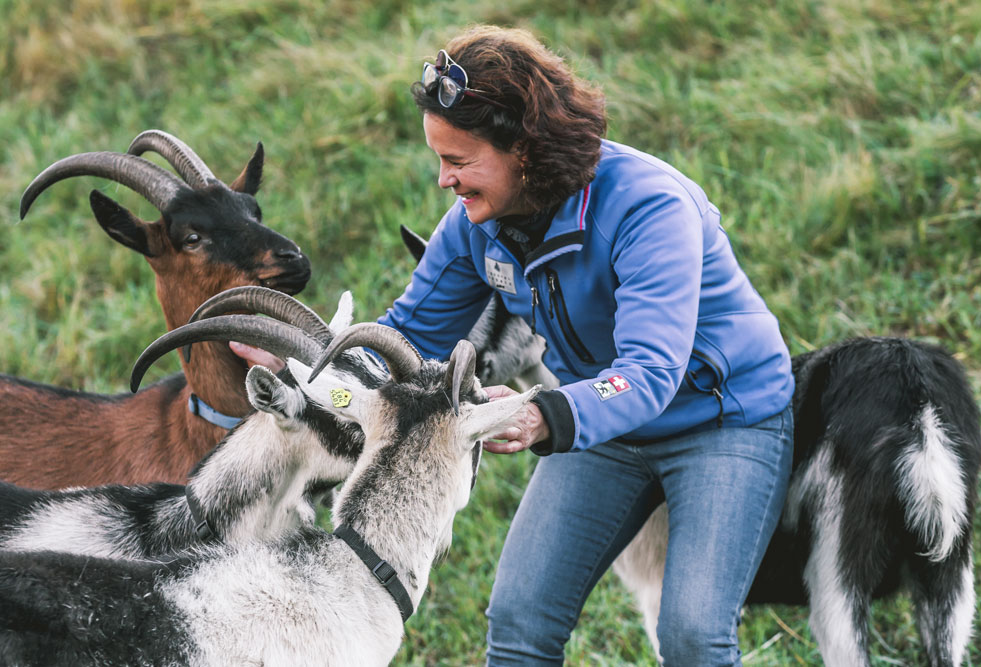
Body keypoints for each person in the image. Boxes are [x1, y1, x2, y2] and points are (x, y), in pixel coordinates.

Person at [235, 24, 794, 666]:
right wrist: (303, 362)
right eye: (439, 159)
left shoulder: (648, 208)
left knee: (693, 634)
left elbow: (648, 372)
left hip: (723, 422)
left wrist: (540, 415)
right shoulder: (478, 224)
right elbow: (407, 334)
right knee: (520, 621)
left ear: (524, 149)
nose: (444, 180)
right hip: (603, 428)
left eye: (458, 160)